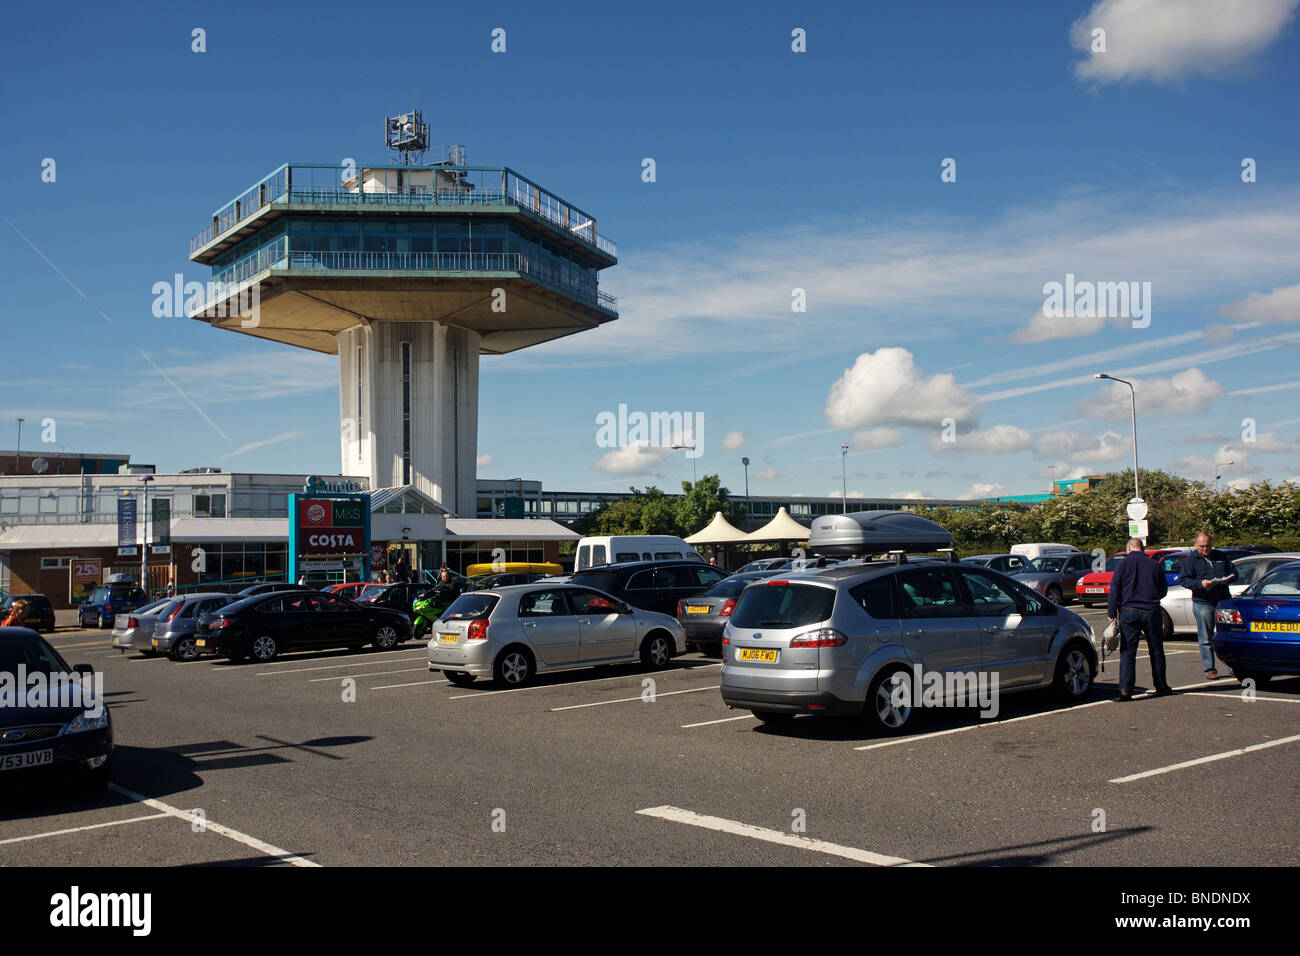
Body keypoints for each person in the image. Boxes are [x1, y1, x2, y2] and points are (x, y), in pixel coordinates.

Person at [1107, 537, 1172, 700]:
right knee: (1156, 650)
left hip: (1128, 611)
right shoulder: (1154, 564)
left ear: (1128, 549)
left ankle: (1125, 689)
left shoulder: (1122, 564)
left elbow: (1114, 588)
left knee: (1128, 651)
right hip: (1151, 611)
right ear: (1143, 549)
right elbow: (1163, 589)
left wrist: (1111, 611)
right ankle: (1161, 685)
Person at [1179, 531, 1239, 680]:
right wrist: (1200, 584)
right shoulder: (1190, 560)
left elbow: (1234, 573)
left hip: (1223, 601)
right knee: (1206, 637)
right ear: (1195, 545)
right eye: (1202, 547)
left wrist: (1227, 580)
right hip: (1203, 602)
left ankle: (1234, 667)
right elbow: (1184, 580)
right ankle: (1210, 669)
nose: (1205, 549)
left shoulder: (1220, 556)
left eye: (1208, 546)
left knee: (1228, 635)